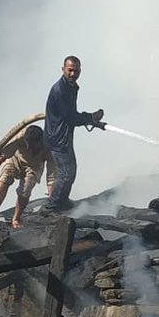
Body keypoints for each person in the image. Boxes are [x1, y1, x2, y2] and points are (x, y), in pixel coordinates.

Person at [42, 56, 104, 212]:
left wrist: (90, 120)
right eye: (70, 70)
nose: (73, 74)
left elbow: (71, 115)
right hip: (58, 137)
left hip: (63, 134)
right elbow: (70, 117)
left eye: (76, 71)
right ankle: (53, 206)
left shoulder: (71, 86)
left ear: (80, 71)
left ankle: (62, 200)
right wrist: (91, 117)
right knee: (66, 172)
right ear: (63, 69)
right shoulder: (60, 90)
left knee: (70, 170)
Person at [0, 124, 54, 229]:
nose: (29, 148)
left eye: (33, 145)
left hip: (34, 166)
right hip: (16, 159)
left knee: (26, 189)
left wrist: (52, 195)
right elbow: (1, 158)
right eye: (27, 145)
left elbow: (51, 175)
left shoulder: (49, 146)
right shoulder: (18, 138)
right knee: (4, 179)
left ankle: (16, 218)